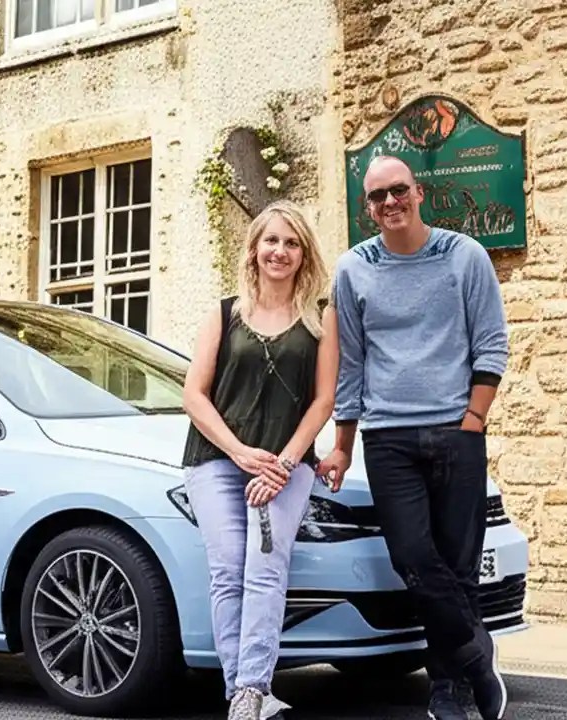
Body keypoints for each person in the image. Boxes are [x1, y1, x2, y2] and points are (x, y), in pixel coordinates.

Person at [317, 155, 510, 720]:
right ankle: (477, 658)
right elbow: (350, 365)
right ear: (367, 208)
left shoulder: (464, 257)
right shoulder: (354, 268)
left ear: (418, 192)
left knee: (458, 564)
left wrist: (473, 420)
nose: (389, 203)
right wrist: (343, 443)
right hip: (388, 438)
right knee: (414, 559)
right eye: (376, 197)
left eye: (398, 190)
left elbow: (492, 343)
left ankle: (447, 688)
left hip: (457, 431)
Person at [181, 200, 340, 720]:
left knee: (266, 571)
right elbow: (194, 396)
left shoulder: (321, 319)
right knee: (228, 571)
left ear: (303, 253)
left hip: (285, 465)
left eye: (291, 243)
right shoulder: (224, 313)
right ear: (254, 248)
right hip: (217, 460)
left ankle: (249, 688)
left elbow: (323, 400)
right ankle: (244, 694)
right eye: (271, 240)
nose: (280, 251)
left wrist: (285, 464)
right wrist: (241, 453)